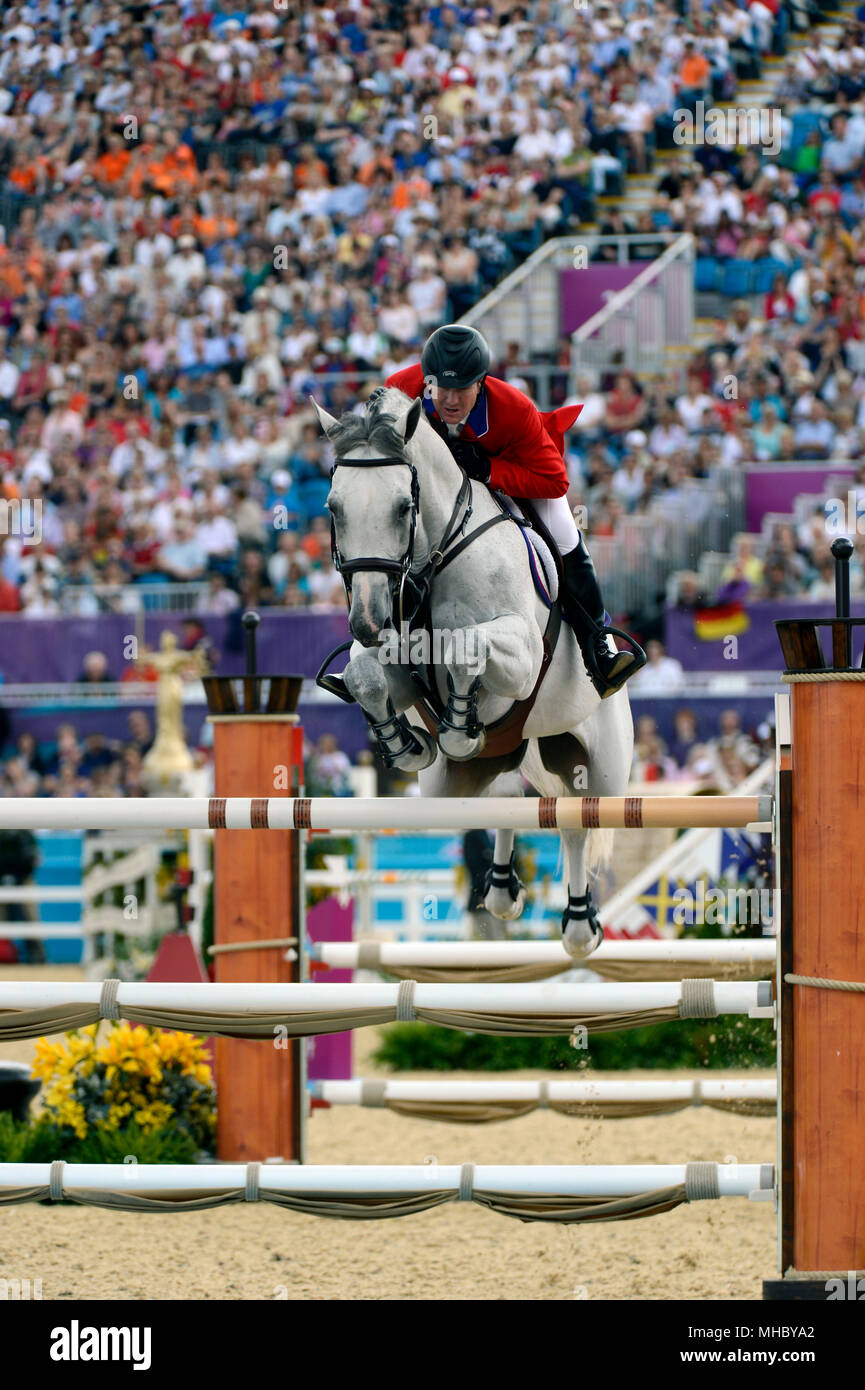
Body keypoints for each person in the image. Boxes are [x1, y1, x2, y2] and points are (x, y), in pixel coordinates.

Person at [385, 325, 644, 698]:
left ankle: (598, 648)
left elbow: (555, 483)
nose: (450, 400)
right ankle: (376, 646)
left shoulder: (513, 408)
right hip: (438, 490)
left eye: (462, 390)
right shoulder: (402, 389)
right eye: (442, 388)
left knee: (565, 534)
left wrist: (489, 471)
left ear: (482, 383)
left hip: (514, 473)